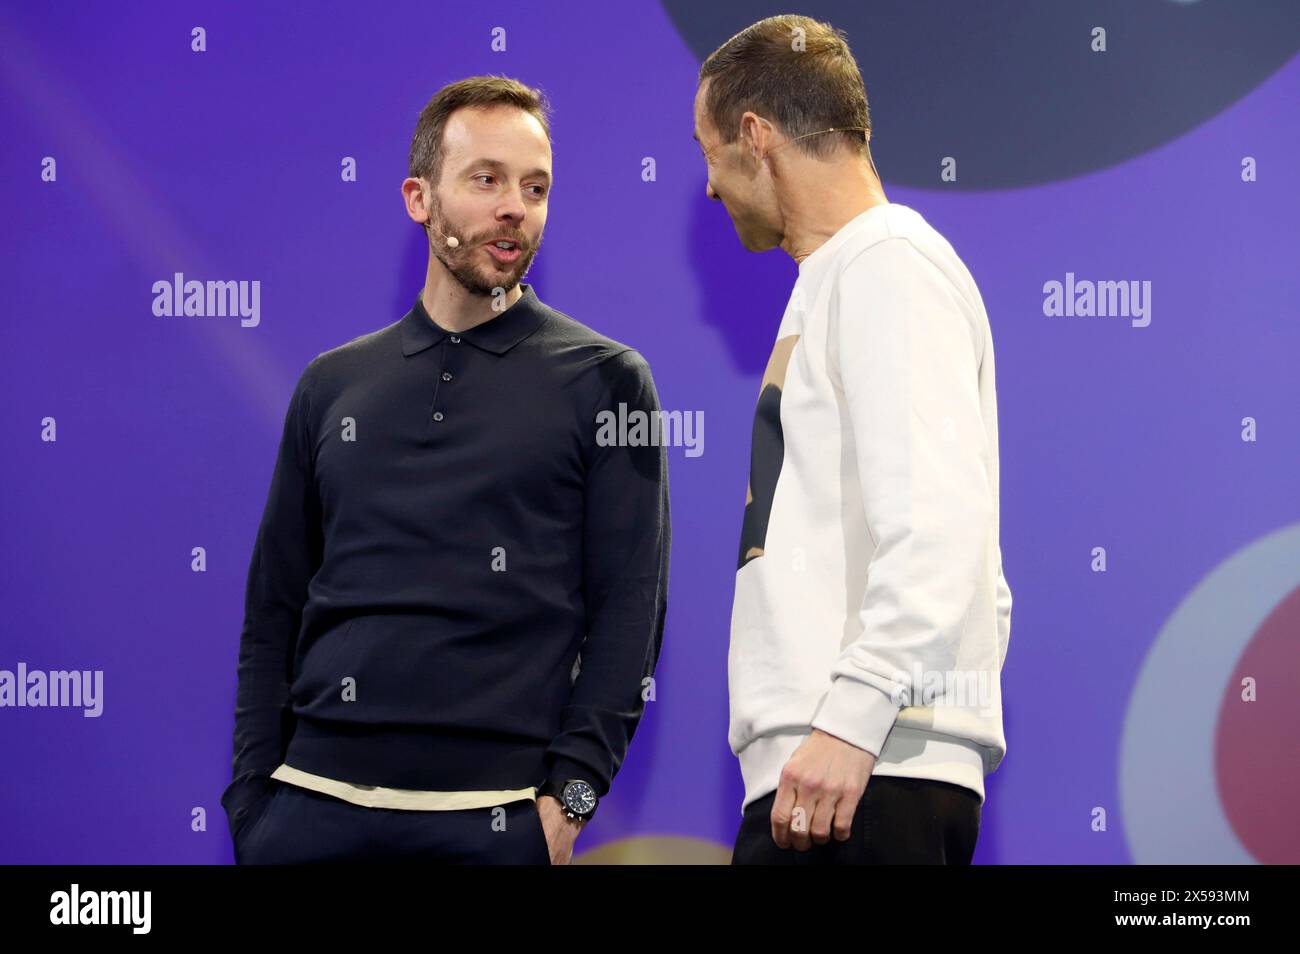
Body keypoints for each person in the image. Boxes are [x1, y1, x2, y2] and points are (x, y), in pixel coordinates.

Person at [221, 75, 670, 864]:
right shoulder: (332, 384)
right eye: (486, 179)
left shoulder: (606, 379)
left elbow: (631, 614)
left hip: (494, 824)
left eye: (535, 188)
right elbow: (273, 609)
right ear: (418, 198)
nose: (514, 208)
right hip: (307, 815)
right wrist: (253, 802)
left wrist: (566, 809)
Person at [692, 15, 1012, 864]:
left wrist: (857, 720)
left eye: (709, 151)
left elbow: (940, 530)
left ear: (755, 137)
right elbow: (981, 574)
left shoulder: (886, 265)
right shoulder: (840, 278)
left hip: (860, 776)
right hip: (841, 767)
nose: (711, 187)